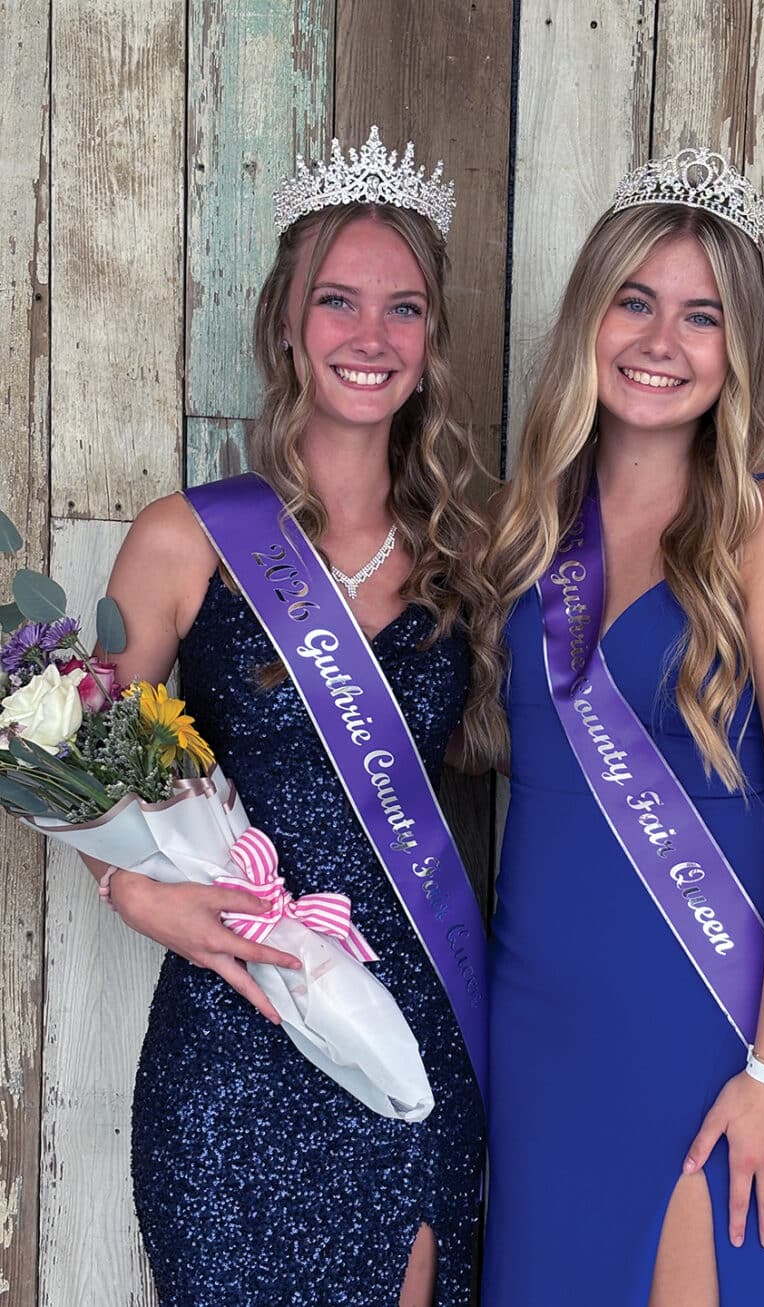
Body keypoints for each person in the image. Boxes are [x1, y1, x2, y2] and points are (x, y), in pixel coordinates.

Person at [88, 127, 501, 1307]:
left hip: (408, 1024)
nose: (369, 337)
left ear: (429, 342)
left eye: (403, 309)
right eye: (337, 301)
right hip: (239, 1018)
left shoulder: (474, 557)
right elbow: (63, 749)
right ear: (285, 321)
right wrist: (135, 889)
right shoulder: (189, 537)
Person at [482, 149, 764, 1305]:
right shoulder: (529, 523)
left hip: (702, 1027)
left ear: (737, 348)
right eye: (635, 302)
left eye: (701, 316)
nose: (660, 340)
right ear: (590, 316)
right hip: (536, 1034)